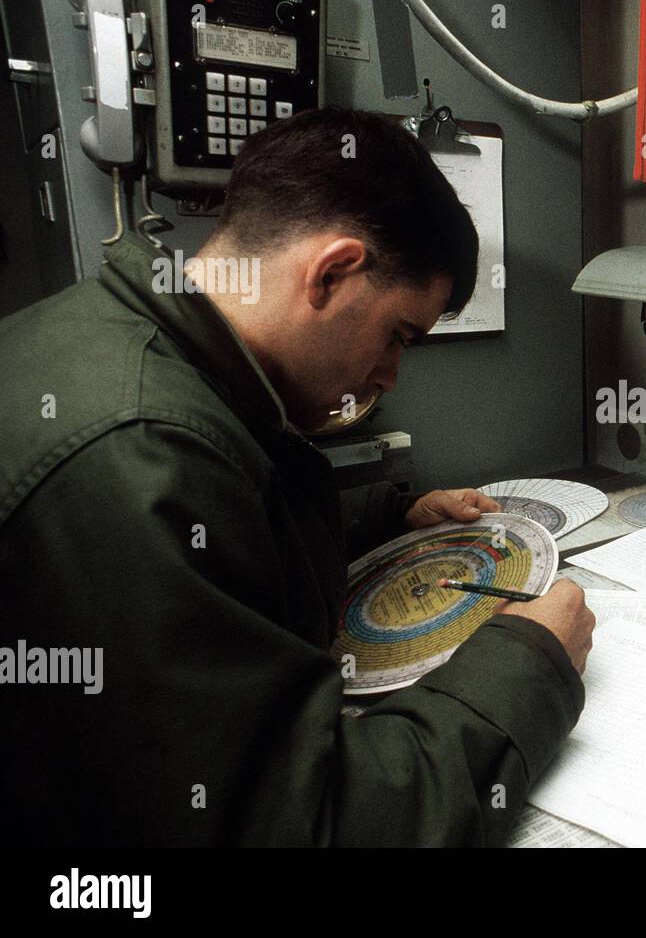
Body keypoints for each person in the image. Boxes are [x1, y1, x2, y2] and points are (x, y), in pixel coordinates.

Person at [0, 107, 595, 846]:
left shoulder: (127, 347)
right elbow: (307, 827)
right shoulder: (136, 454)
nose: (391, 374)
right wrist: (529, 666)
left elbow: (211, 550)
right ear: (332, 272)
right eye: (397, 336)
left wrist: (382, 521)